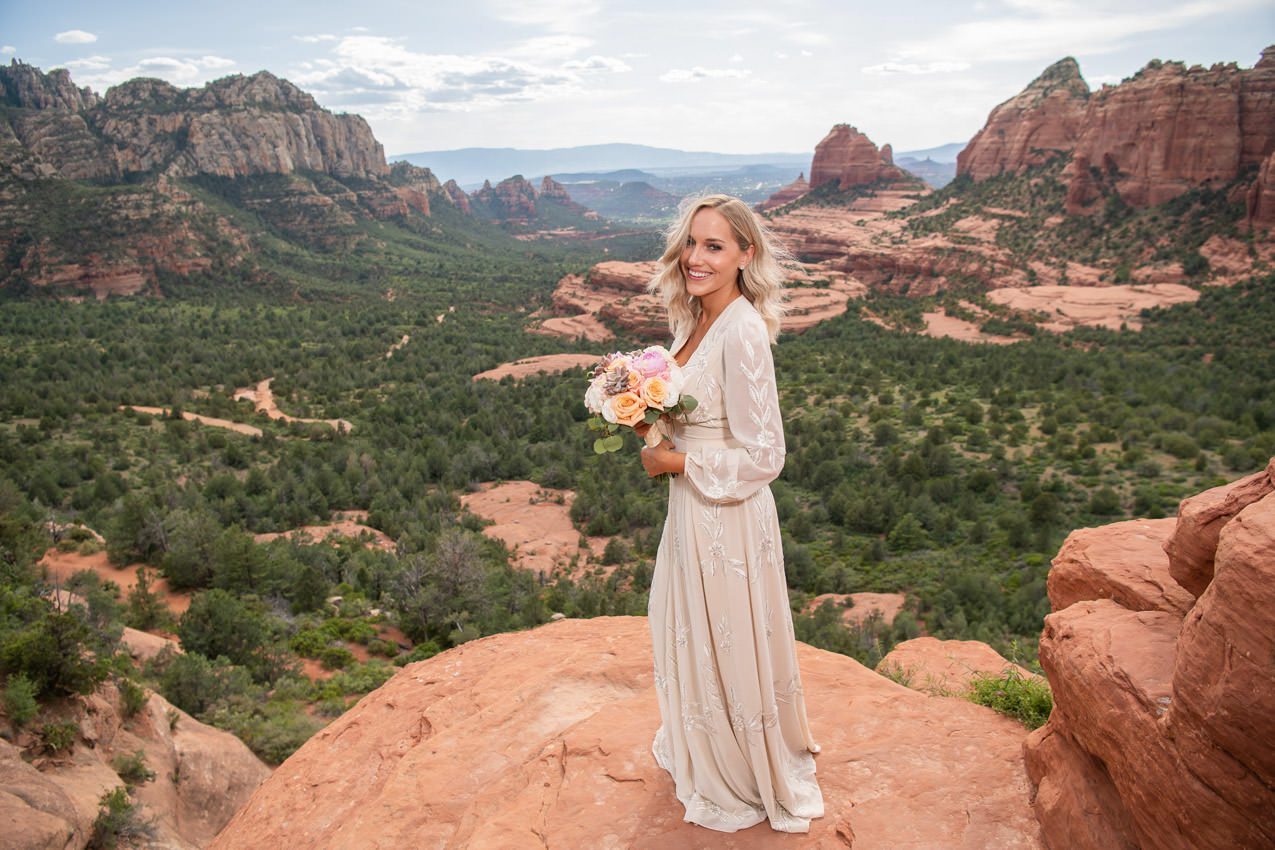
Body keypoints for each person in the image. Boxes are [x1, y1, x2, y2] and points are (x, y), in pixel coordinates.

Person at [636, 194, 825, 833]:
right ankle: (709, 742)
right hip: (691, 515)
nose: (696, 258)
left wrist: (677, 464)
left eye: (715, 246)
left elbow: (767, 454)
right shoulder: (694, 319)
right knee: (687, 624)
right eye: (692, 243)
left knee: (726, 633)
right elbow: (693, 409)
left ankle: (741, 767)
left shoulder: (741, 329)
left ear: (746, 255)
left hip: (727, 516)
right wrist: (642, 413)